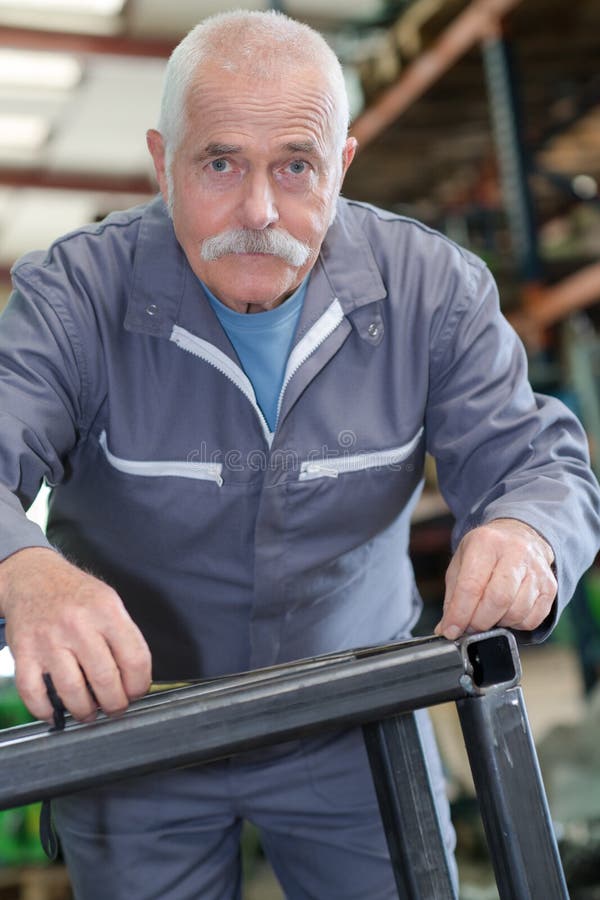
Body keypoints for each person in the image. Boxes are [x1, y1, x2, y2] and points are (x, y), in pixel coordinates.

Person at [0, 9, 598, 900]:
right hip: (136, 733)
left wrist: (527, 534)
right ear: (163, 163)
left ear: (342, 166)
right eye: (219, 163)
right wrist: (23, 567)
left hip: (356, 726)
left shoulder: (432, 289)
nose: (258, 211)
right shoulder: (75, 297)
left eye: (295, 166)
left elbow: (537, 460)